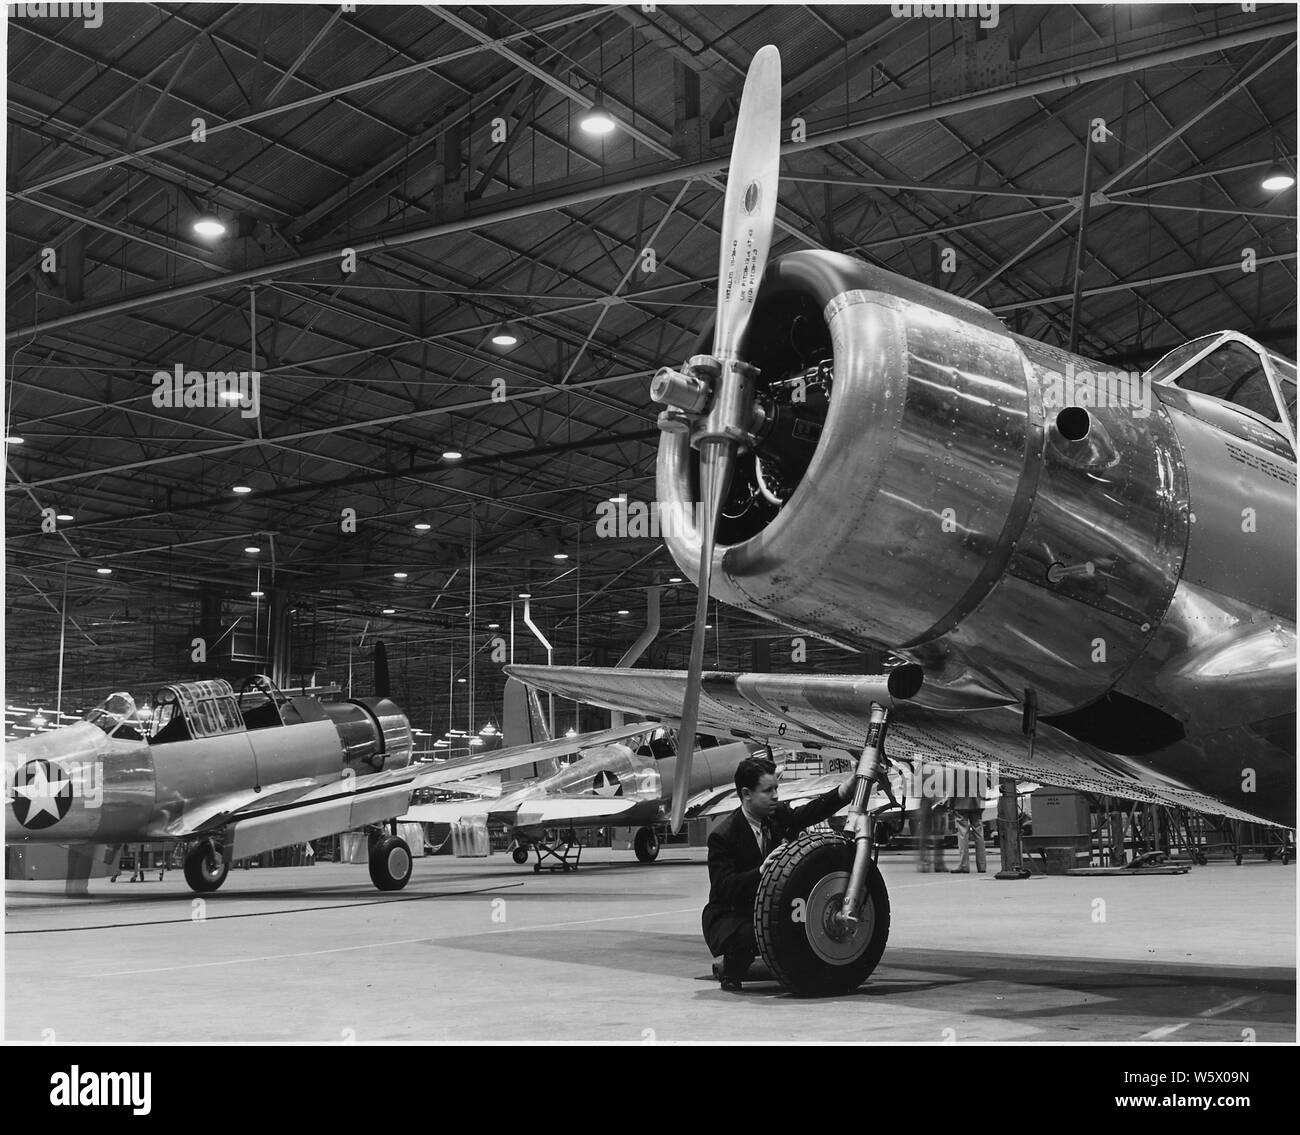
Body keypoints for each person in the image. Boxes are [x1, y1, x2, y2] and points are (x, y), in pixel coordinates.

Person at [702, 756, 854, 991]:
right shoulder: (723, 836)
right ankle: (733, 966)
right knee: (760, 935)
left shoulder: (775, 815)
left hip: (772, 906)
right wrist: (761, 872)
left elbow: (808, 813)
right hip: (734, 914)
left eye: (776, 788)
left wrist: (844, 791)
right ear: (746, 794)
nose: (775, 796)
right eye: (767, 790)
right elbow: (724, 888)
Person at [945, 792, 987, 873]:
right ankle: (982, 866)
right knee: (979, 833)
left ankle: (964, 865)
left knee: (963, 834)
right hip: (977, 802)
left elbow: (953, 786)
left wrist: (950, 804)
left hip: (961, 803)